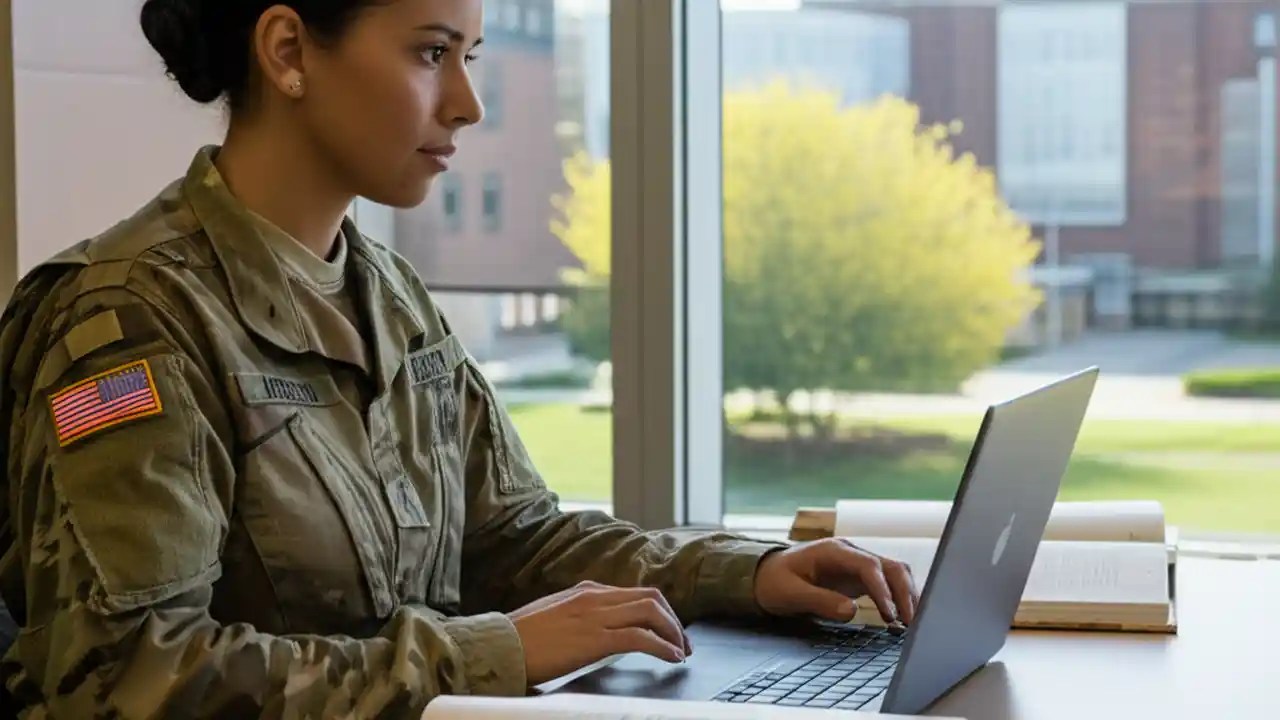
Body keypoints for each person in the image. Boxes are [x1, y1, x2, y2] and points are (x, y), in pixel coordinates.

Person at [0, 0, 919, 717]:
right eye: (430, 53)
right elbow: (125, 680)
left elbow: (516, 540)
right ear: (287, 52)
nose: (468, 104)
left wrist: (747, 573)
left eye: (469, 57)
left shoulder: (389, 294)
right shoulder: (128, 322)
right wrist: (496, 654)